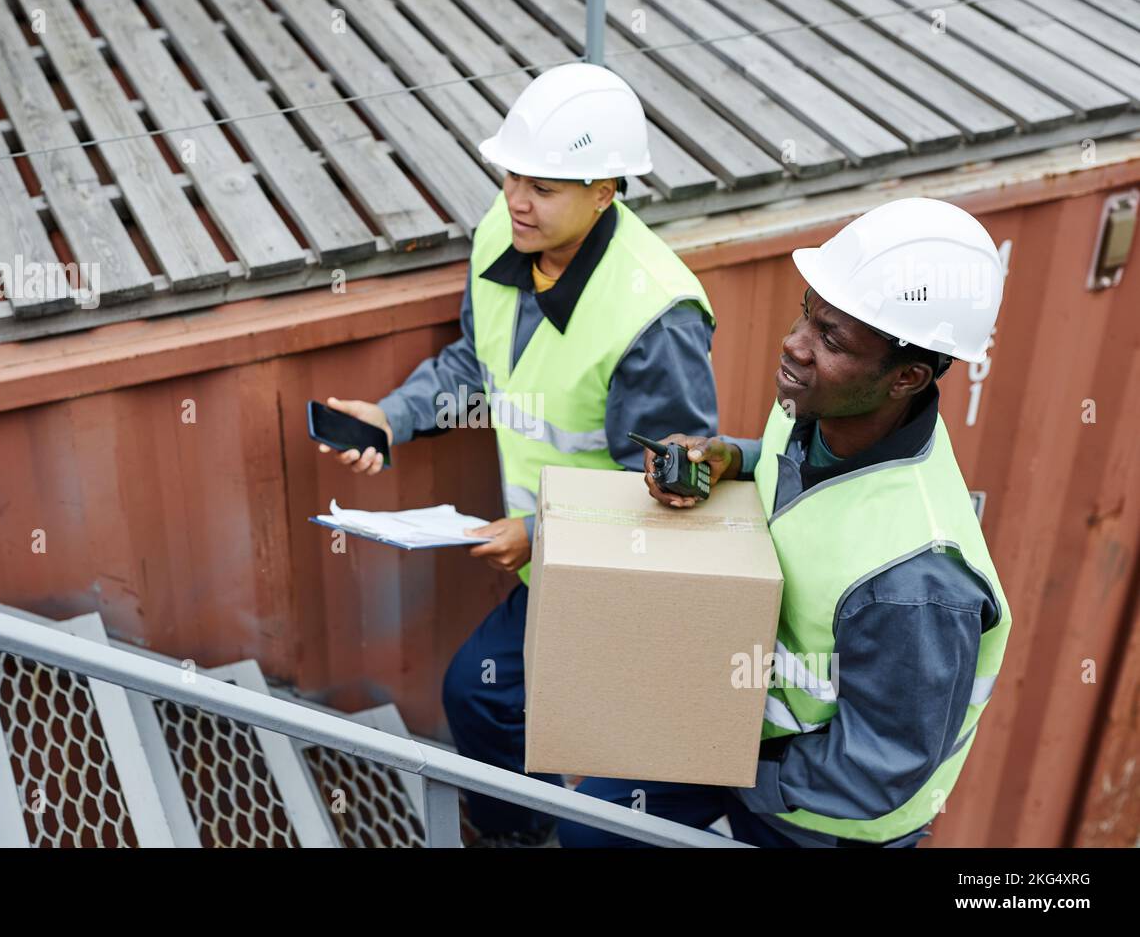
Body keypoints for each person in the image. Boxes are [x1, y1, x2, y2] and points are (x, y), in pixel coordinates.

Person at [316, 63, 720, 846]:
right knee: (480, 697)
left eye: (544, 186)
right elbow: (476, 364)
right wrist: (390, 418)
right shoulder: (504, 234)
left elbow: (674, 487)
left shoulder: (655, 316)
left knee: (555, 745)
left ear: (606, 192)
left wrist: (542, 536)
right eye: (511, 176)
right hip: (552, 565)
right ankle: (518, 835)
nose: (516, 200)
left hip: (621, 573)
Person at [559, 197, 1013, 848]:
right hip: (742, 728)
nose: (794, 344)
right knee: (589, 828)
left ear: (906, 377)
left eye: (830, 340)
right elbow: (798, 483)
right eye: (807, 314)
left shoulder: (918, 579)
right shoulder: (817, 411)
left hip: (824, 814)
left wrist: (733, 769)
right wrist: (729, 459)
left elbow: (877, 769)